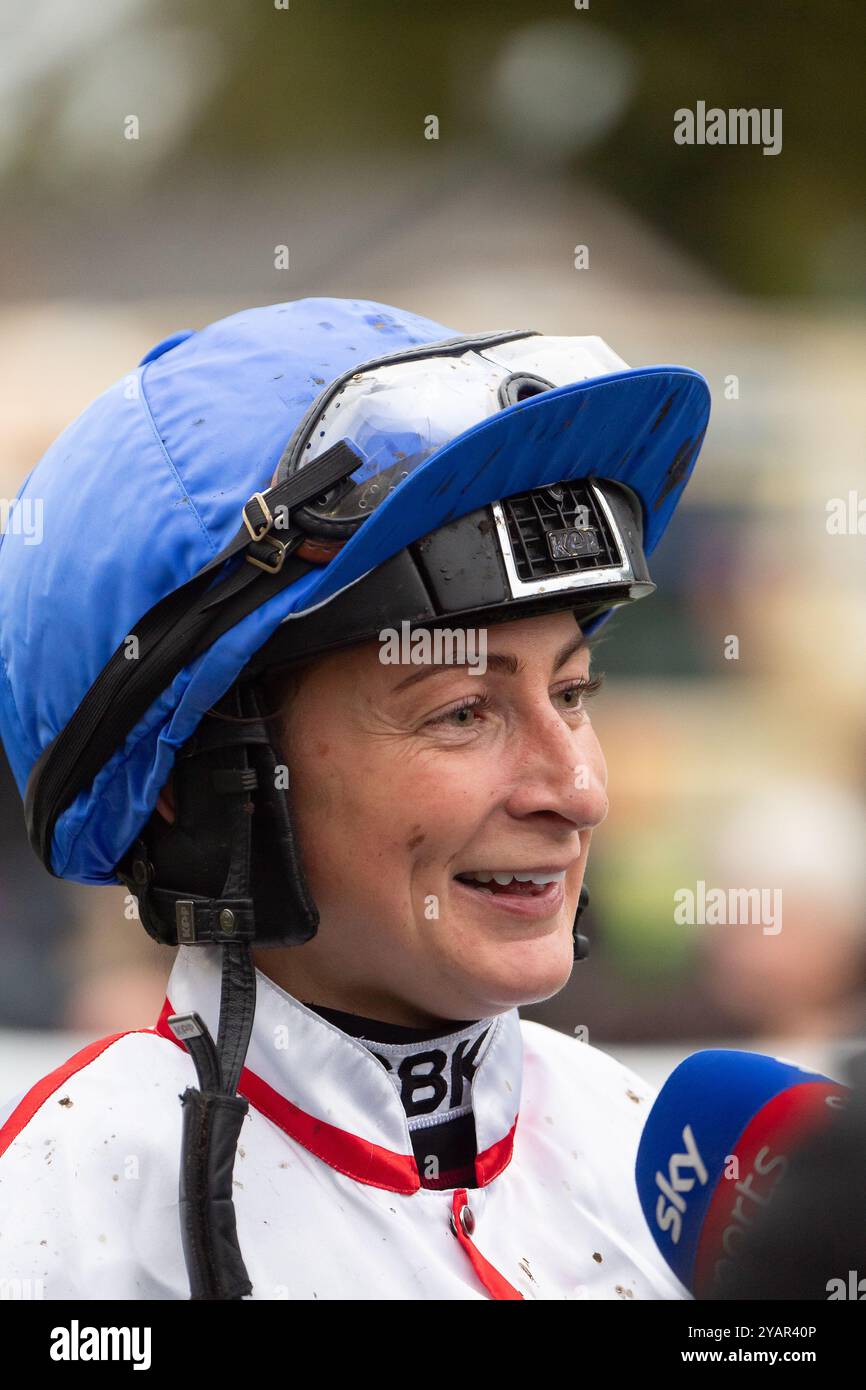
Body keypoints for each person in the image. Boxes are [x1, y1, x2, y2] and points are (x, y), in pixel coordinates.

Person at [0, 297, 710, 1300]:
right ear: (198, 787)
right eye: (463, 712)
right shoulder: (62, 1225)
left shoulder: (657, 1163)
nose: (577, 790)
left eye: (569, 692)